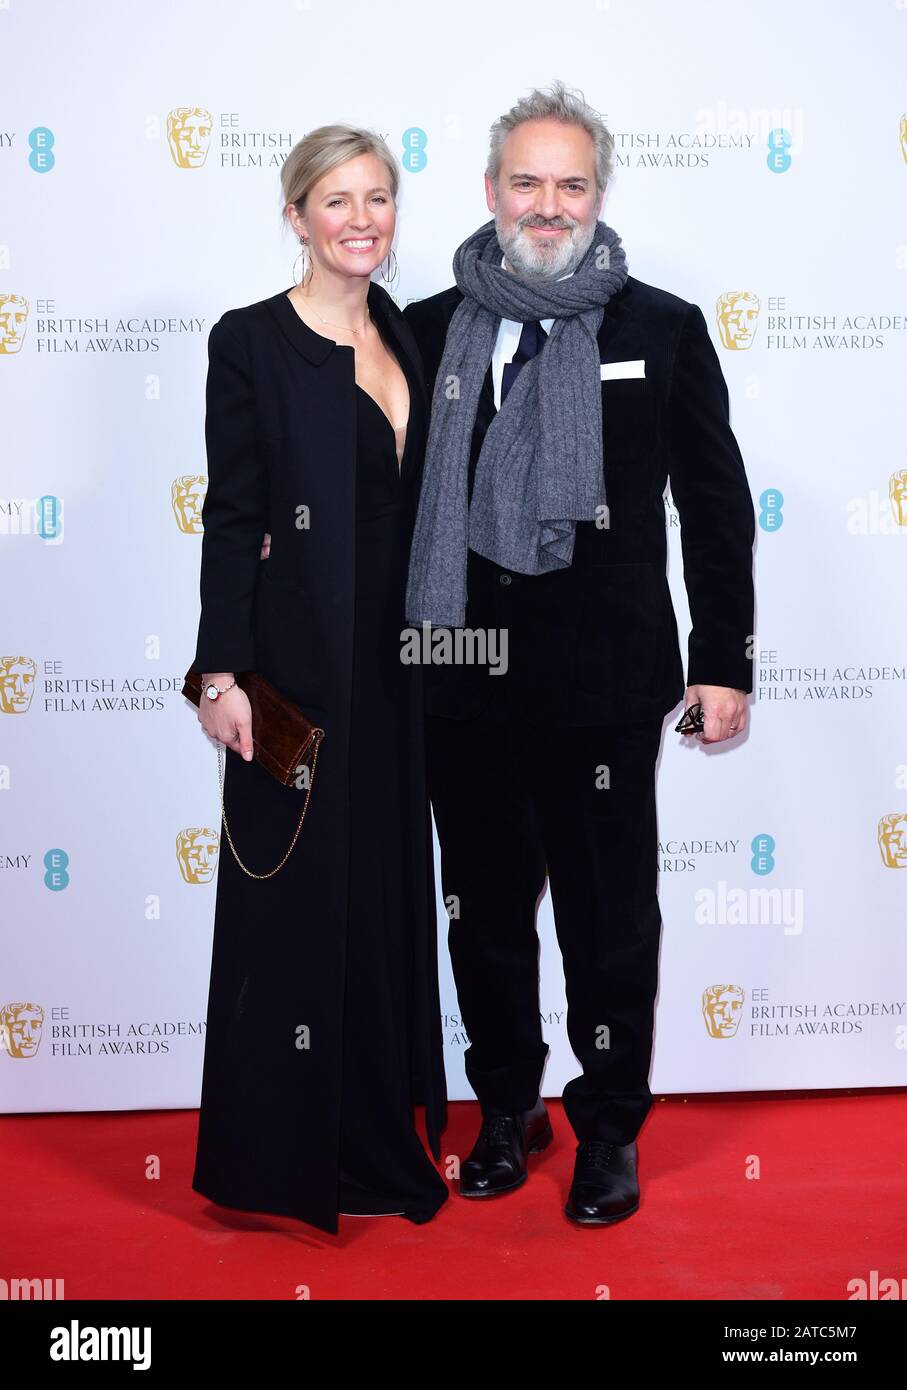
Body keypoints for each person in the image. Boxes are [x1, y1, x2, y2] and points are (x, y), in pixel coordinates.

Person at [402, 81, 756, 1225]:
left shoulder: (658, 326)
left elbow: (713, 505)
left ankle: (607, 1125)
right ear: (490, 191)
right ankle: (505, 1108)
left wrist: (725, 660)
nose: (546, 207)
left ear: (598, 194)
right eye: (526, 183)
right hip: (458, 671)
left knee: (609, 919)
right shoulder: (419, 331)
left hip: (602, 682)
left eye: (570, 185)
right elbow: (381, 506)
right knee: (485, 908)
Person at [190, 124, 448, 1235]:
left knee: (386, 898)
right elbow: (233, 516)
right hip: (298, 679)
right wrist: (219, 673)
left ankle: (380, 1138)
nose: (360, 220)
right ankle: (287, 1161)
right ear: (294, 214)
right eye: (335, 200)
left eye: (377, 199)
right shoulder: (251, 342)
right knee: (294, 912)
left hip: (404, 679)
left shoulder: (412, 335)